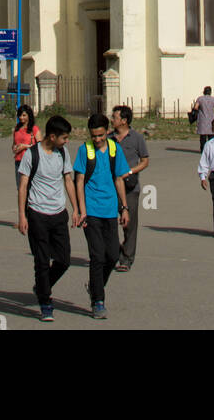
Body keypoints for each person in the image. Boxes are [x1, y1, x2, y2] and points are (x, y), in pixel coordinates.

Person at [17, 114, 79, 323]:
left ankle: (42, 286)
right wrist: (22, 216)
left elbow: (68, 180)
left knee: (63, 260)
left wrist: (76, 208)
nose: (67, 141)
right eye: (64, 138)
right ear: (52, 136)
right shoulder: (31, 155)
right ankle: (45, 302)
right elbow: (23, 185)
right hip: (37, 215)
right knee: (42, 261)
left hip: (58, 214)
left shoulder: (62, 153)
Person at [73, 113, 131, 319]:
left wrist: (124, 208)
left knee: (113, 255)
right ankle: (98, 301)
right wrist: (81, 211)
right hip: (91, 211)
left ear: (107, 131)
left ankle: (96, 285)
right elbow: (79, 181)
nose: (96, 139)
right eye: (93, 136)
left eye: (100, 135)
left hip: (109, 210)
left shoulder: (115, 149)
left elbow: (118, 179)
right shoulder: (84, 150)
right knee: (97, 256)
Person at [110, 104, 149, 272]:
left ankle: (126, 258)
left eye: (115, 117)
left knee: (129, 224)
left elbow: (145, 161)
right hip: (110, 187)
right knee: (108, 224)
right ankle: (114, 253)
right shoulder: (108, 138)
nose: (112, 120)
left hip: (130, 187)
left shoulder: (137, 138)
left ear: (124, 121)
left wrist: (130, 171)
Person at [12, 104, 42, 189]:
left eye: (24, 115)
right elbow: (14, 144)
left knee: (30, 187)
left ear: (29, 115)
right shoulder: (17, 129)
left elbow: (40, 146)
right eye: (20, 115)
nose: (21, 118)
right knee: (20, 188)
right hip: (19, 162)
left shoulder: (34, 129)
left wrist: (25, 146)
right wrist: (15, 148)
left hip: (30, 162)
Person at [192, 86, 214, 152]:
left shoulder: (200, 99)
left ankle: (203, 150)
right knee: (211, 136)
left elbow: (195, 107)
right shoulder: (213, 99)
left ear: (204, 91)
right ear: (210, 92)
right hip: (211, 120)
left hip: (202, 120)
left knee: (203, 137)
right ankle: (211, 150)